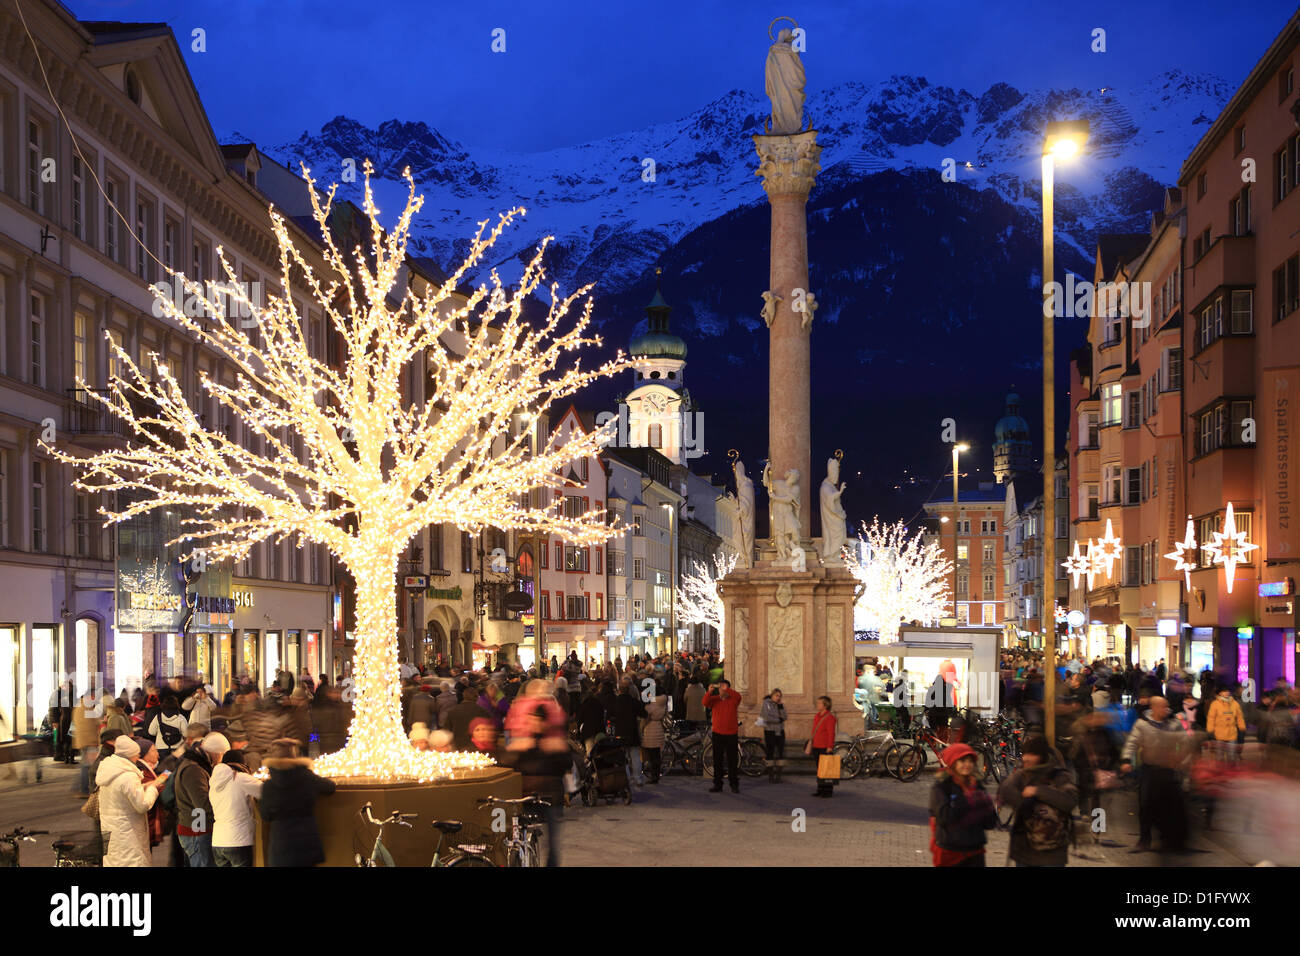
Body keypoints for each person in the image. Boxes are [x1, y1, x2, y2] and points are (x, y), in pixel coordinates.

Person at [503, 680, 568, 866]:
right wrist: (517, 749)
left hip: (550, 794)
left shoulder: (553, 726)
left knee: (553, 845)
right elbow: (508, 761)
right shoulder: (519, 719)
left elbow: (566, 764)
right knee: (519, 838)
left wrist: (557, 750)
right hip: (526, 794)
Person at [1120, 696, 1190, 853]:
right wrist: (1126, 760)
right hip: (1149, 771)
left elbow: (1185, 742)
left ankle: (1167, 839)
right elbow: (1132, 742)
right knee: (1146, 805)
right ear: (1153, 708)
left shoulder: (1173, 724)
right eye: (1161, 707)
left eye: (1166, 707)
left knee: (1170, 806)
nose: (1165, 710)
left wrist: (1182, 759)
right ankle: (1144, 839)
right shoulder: (1142, 724)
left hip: (1168, 770)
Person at [998, 735, 1078, 867]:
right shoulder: (1022, 775)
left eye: (1032, 754)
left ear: (1042, 756)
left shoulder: (1059, 775)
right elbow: (1005, 790)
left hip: (1053, 850)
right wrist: (1025, 805)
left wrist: (1038, 791)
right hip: (1025, 848)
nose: (1026, 758)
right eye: (1025, 754)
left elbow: (1070, 801)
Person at [259, 737, 337, 866]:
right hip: (305, 843)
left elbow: (265, 815)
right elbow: (330, 787)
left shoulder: (269, 785)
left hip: (281, 843)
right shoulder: (307, 777)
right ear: (296, 755)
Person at [95, 735, 165, 867]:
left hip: (110, 828)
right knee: (130, 861)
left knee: (114, 860)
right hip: (127, 831)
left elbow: (121, 793)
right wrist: (152, 789)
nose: (138, 758)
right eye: (137, 754)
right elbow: (142, 805)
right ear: (130, 755)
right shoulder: (128, 776)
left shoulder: (109, 770)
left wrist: (143, 787)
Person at [928, 742, 997, 866]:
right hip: (951, 852)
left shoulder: (977, 785)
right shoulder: (942, 787)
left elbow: (990, 823)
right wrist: (967, 799)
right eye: (962, 761)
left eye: (970, 761)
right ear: (953, 763)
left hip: (975, 852)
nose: (967, 765)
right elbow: (944, 817)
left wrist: (987, 806)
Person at [174, 731, 229, 867]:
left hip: (199, 829)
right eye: (222, 755)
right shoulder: (194, 770)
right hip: (196, 831)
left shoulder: (198, 765)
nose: (222, 760)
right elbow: (203, 804)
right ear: (216, 753)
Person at [210, 749, 263, 867]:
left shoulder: (213, 782)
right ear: (241, 764)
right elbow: (267, 791)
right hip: (239, 840)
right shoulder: (241, 778)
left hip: (218, 841)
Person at [703, 680, 743, 793]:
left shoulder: (733, 699)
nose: (721, 690)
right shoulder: (715, 700)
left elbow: (738, 696)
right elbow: (705, 702)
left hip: (731, 734)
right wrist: (709, 692)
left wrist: (727, 689)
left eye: (723, 688)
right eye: (720, 688)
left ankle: (734, 784)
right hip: (718, 734)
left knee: (732, 761)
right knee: (717, 760)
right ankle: (717, 784)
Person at [806, 695, 837, 798]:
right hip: (816, 745)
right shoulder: (817, 716)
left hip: (824, 746)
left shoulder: (829, 718)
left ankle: (827, 790)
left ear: (825, 705)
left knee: (826, 770)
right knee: (819, 769)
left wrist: (829, 747)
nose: (817, 704)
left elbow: (831, 733)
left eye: (819, 703)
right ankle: (820, 788)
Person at [1205, 685, 1246, 761]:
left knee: (1232, 757)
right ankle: (1220, 771)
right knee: (1219, 757)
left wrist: (1241, 726)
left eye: (1227, 691)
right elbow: (1211, 718)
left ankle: (1231, 771)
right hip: (1219, 735)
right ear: (1220, 693)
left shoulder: (1235, 703)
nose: (1227, 693)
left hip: (1232, 734)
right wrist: (1210, 729)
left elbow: (1239, 716)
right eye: (1224, 691)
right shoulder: (1215, 704)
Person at [447, 684, 492, 750]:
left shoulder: (452, 711)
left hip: (458, 745)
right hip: (477, 746)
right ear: (476, 697)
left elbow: (446, 730)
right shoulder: (482, 711)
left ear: (463, 696)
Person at [759, 688, 787, 783]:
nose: (778, 698)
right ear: (772, 695)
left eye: (779, 696)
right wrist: (777, 720)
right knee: (770, 752)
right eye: (776, 695)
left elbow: (785, 717)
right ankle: (770, 775)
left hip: (780, 731)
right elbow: (765, 717)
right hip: (770, 731)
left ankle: (779, 775)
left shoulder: (780, 705)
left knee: (780, 753)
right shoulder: (766, 704)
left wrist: (781, 708)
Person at [640, 691, 668, 784]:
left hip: (650, 731)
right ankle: (656, 775)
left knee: (651, 756)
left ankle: (653, 776)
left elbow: (644, 721)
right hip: (659, 729)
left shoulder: (649, 707)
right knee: (657, 755)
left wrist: (640, 729)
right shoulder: (662, 705)